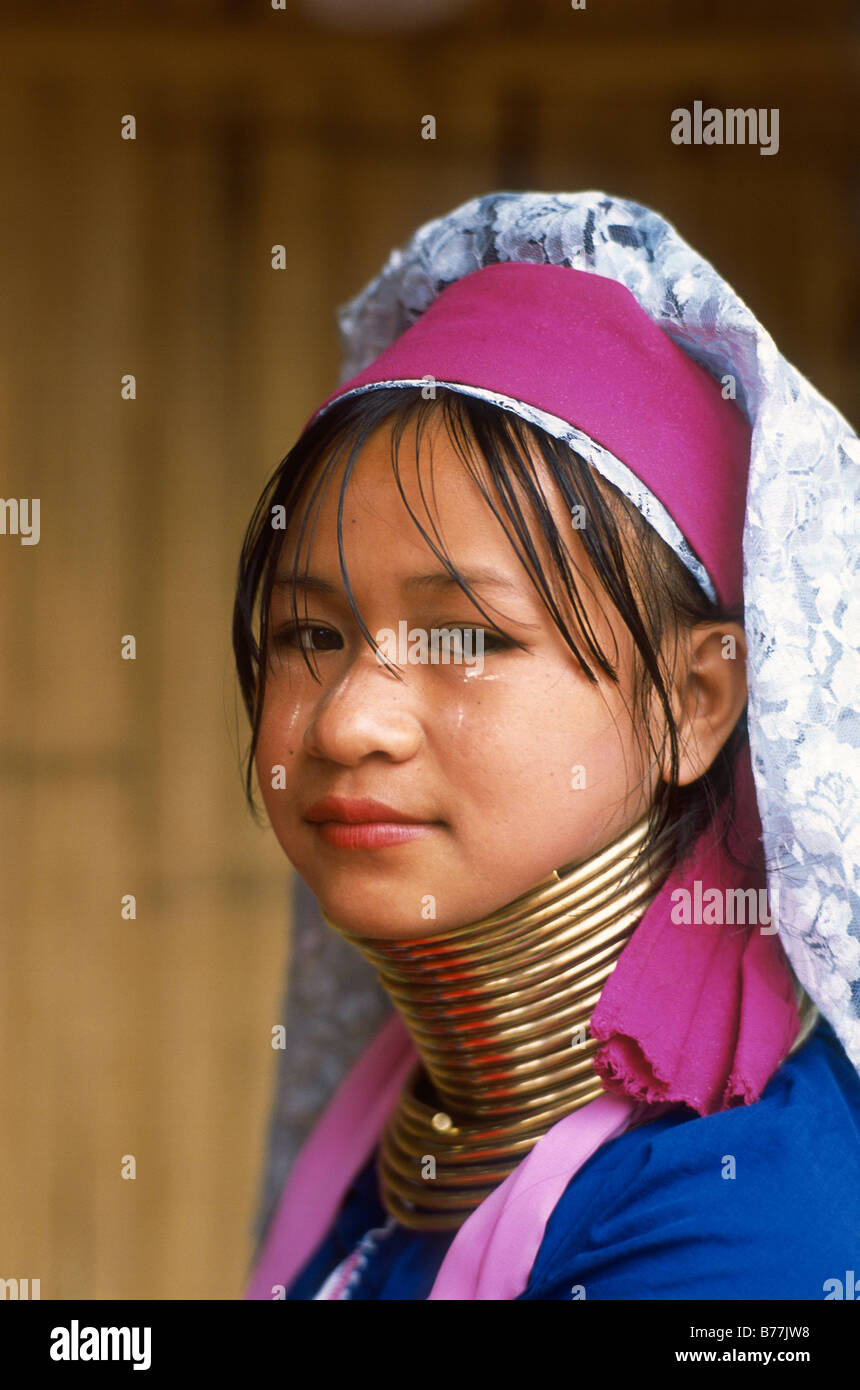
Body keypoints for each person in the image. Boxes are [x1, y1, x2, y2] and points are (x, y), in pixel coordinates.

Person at [233, 191, 860, 1300]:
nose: (345, 721)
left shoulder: (740, 1225)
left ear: (693, 699)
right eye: (309, 634)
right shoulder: (413, 1122)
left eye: (467, 635)